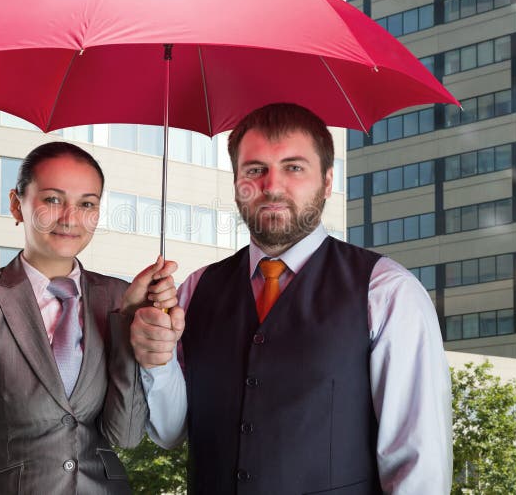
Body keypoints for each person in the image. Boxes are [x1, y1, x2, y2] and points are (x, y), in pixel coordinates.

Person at [130, 104, 452, 494]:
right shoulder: (195, 289)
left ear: (328, 181)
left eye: (294, 167)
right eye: (255, 170)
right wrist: (157, 360)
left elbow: (418, 465)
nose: (272, 186)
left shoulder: (386, 291)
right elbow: (170, 432)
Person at [0, 141, 177, 494]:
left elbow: (125, 434)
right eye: (53, 200)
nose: (70, 218)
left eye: (87, 204)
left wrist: (130, 321)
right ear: (16, 204)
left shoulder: (120, 299)